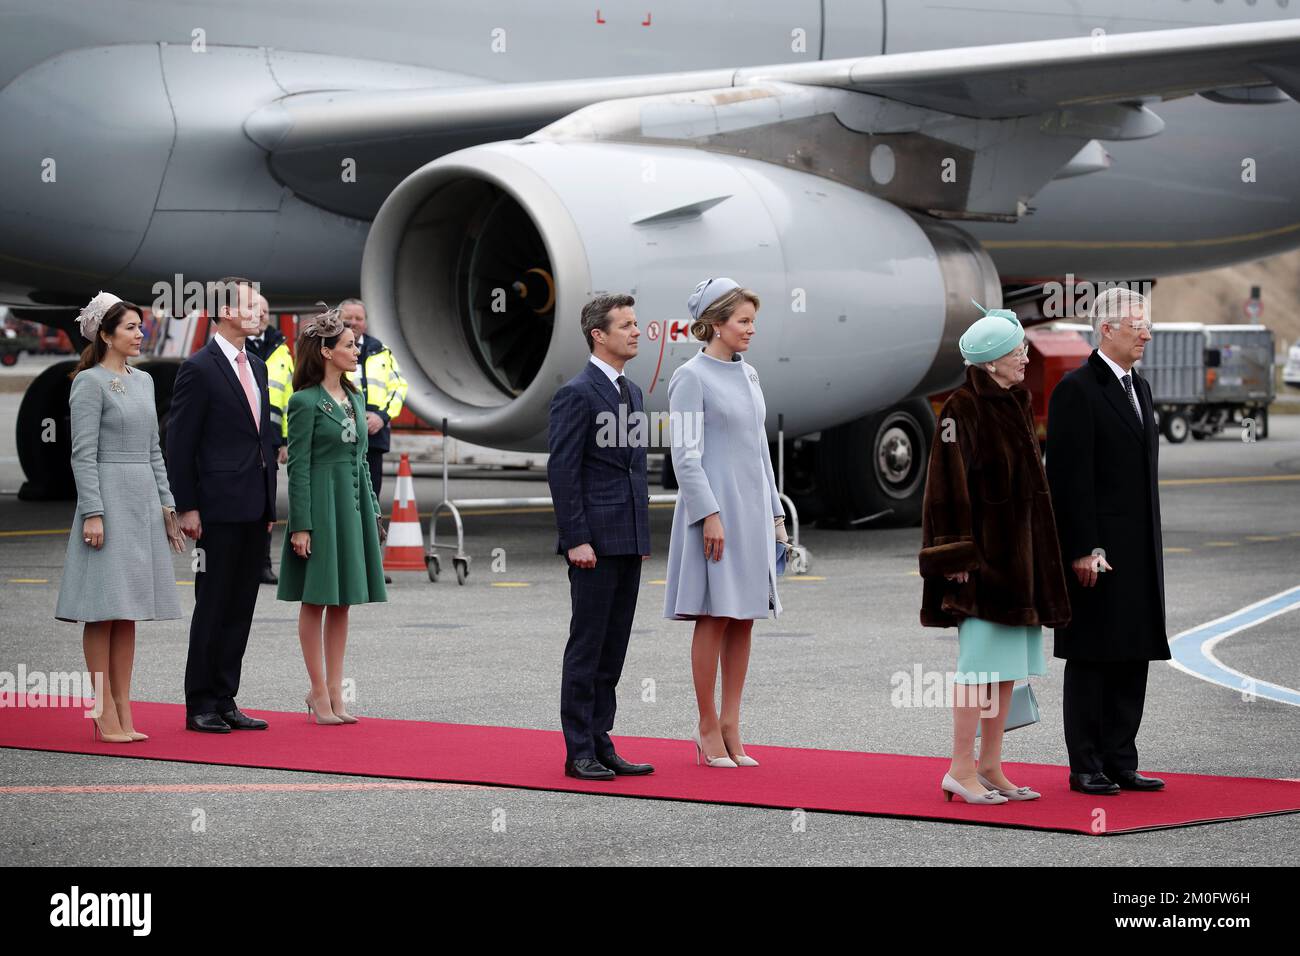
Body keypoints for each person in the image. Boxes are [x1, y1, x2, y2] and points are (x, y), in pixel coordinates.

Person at [919, 302, 1071, 805]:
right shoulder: (961, 410)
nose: (1026, 357)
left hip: (1019, 564)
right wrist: (955, 555)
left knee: (1007, 670)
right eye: (1016, 350)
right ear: (990, 360)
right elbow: (944, 487)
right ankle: (959, 770)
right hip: (982, 565)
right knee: (979, 670)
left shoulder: (1015, 402)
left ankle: (990, 766)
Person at [1046, 288, 1169, 796]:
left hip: (1138, 549)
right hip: (1098, 551)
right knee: (1095, 654)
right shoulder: (1078, 390)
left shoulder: (1138, 388)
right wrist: (1083, 547)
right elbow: (1070, 478)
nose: (1145, 334)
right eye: (1137, 325)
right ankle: (1086, 764)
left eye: (1147, 325)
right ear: (1107, 330)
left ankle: (1122, 759)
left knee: (1132, 652)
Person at [663, 278, 786, 769]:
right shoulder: (690, 377)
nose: (751, 329)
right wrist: (708, 514)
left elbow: (759, 448)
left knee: (744, 616)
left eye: (753, 320)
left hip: (753, 510)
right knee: (713, 616)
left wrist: (776, 513)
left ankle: (733, 723)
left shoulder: (750, 375)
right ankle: (707, 725)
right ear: (715, 324)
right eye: (743, 321)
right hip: (714, 511)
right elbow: (685, 456)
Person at [55, 292, 185, 742]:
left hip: (142, 502)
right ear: (106, 335)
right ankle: (101, 710)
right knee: (103, 608)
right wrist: (93, 511)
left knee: (127, 611)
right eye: (130, 327)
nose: (140, 333)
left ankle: (124, 710)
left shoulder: (145, 381)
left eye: (139, 325)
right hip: (107, 500)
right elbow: (82, 454)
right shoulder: (87, 383)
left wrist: (167, 504)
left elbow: (154, 449)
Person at [547, 293, 654, 780]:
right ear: (599, 335)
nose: (636, 332)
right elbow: (564, 472)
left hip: (626, 539)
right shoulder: (578, 393)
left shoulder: (630, 393)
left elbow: (634, 471)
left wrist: (640, 535)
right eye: (627, 325)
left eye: (635, 324)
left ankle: (601, 739)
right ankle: (578, 750)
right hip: (593, 542)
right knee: (587, 645)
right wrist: (576, 538)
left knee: (614, 647)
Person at [166, 277, 278, 734]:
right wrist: (187, 507)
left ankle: (227, 697)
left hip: (253, 506)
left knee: (241, 606)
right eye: (252, 307)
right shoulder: (199, 368)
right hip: (216, 509)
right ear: (227, 312)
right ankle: (200, 703)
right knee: (212, 604)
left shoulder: (257, 364)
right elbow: (180, 443)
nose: (259, 313)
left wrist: (270, 505)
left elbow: (263, 439)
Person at [277, 305, 388, 725]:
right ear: (326, 352)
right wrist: (301, 525)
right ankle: (318, 692)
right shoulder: (304, 402)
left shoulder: (357, 398)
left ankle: (336, 693)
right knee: (316, 599)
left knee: (342, 602)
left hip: (352, 504)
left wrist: (373, 513)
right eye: (348, 345)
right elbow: (298, 465)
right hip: (320, 505)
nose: (356, 350)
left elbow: (361, 461)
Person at [252, 292, 289, 584]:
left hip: (271, 437)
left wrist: (286, 439)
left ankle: (262, 562)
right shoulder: (235, 348)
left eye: (266, 310)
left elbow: (288, 397)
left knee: (267, 504)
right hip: (242, 437)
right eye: (256, 309)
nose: (262, 315)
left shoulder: (281, 349)